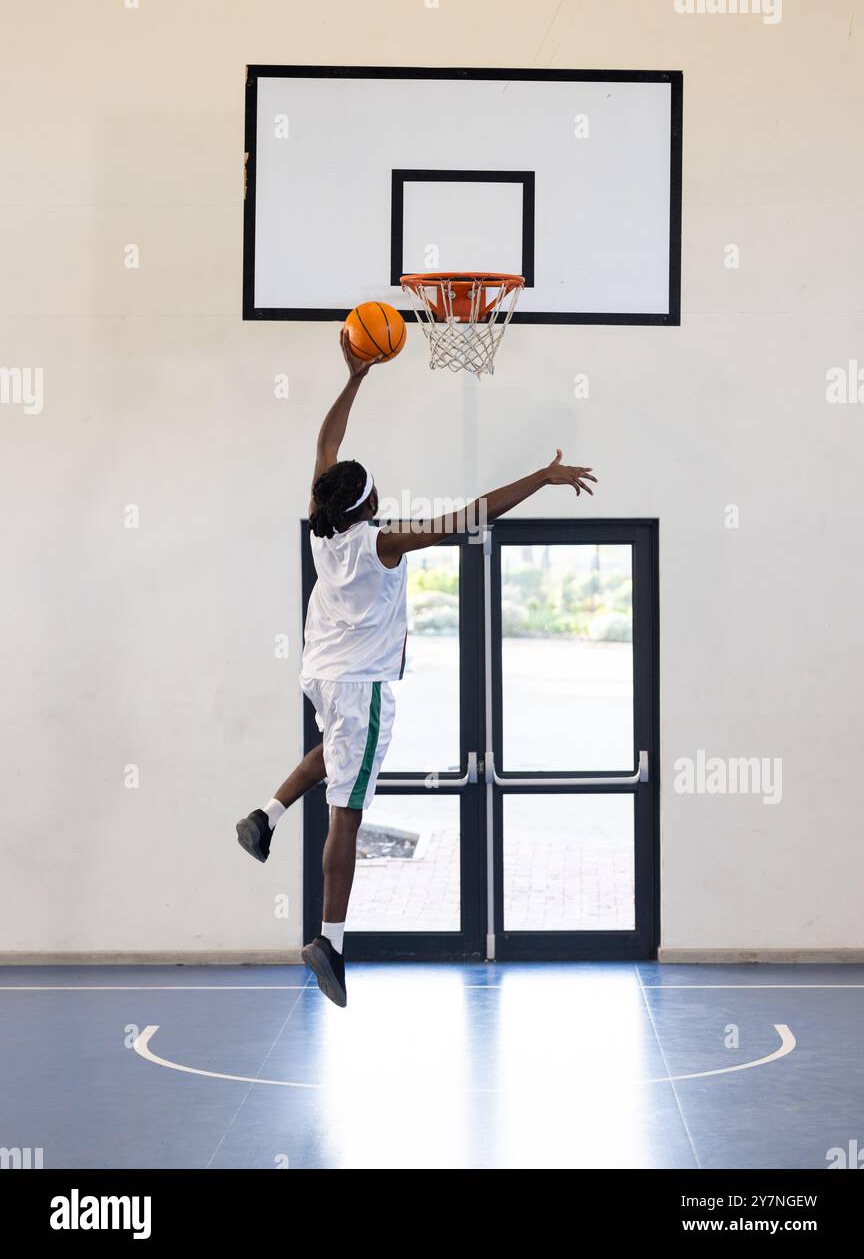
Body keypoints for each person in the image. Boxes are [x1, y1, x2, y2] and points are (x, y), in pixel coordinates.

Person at [236, 328, 597, 1007]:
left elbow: (324, 448)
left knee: (333, 754)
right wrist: (541, 479)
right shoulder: (383, 543)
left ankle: (266, 814)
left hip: (321, 673)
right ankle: (330, 940)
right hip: (362, 686)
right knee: (348, 809)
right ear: (368, 504)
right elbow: (471, 516)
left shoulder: (325, 527)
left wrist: (355, 379)